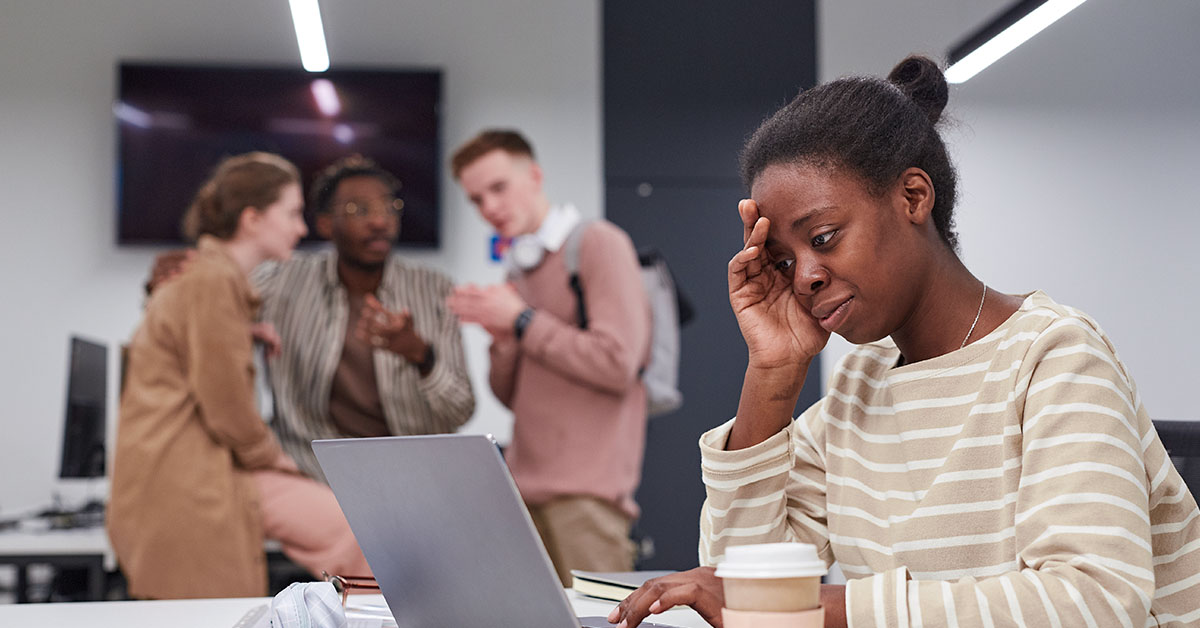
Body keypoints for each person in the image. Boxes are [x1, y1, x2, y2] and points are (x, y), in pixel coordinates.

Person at [609, 56, 1200, 628]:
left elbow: (1093, 604)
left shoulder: (1056, 358)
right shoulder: (859, 386)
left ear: (914, 197)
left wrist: (816, 611)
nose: (806, 275)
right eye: (785, 261)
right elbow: (739, 580)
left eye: (824, 236)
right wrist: (773, 371)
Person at [108, 152, 372, 599]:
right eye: (291, 213)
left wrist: (241, 334)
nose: (302, 228)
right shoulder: (212, 283)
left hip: (188, 472)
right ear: (252, 219)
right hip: (191, 479)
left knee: (353, 537)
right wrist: (279, 460)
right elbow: (227, 409)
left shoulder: (211, 283)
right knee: (363, 538)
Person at [150, 155, 475, 483]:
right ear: (323, 224)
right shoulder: (281, 281)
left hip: (414, 476)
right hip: (311, 472)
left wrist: (421, 355)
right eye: (358, 209)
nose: (380, 220)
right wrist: (170, 283)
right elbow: (203, 312)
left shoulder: (434, 290)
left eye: (389, 207)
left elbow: (461, 410)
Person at [446, 130, 651, 585]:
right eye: (476, 199)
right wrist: (502, 339)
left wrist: (522, 321)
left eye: (498, 188)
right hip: (522, 492)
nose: (489, 208)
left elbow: (618, 363)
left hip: (588, 498)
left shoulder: (597, 243)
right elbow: (511, 397)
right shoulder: (518, 269)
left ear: (534, 176)